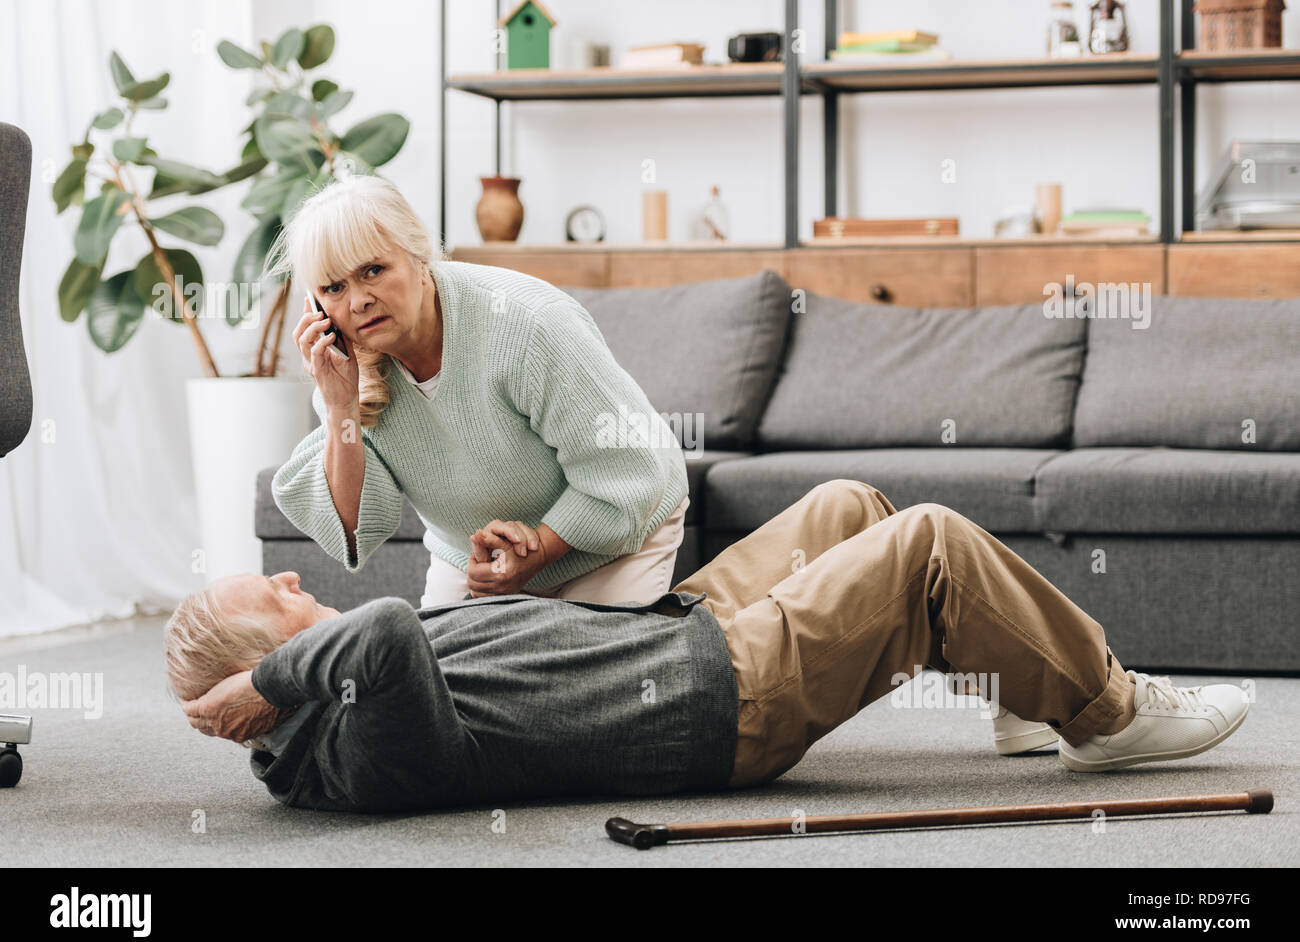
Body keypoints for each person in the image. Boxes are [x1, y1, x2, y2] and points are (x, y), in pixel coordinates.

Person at [170, 481, 1250, 813]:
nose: (290, 578)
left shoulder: (344, 698)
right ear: (258, 668)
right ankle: (1104, 714)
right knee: (928, 543)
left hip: (675, 636)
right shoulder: (349, 757)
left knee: (846, 504)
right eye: (267, 597)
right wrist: (270, 677)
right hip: (717, 704)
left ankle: (1026, 686)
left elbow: (454, 644)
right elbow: (396, 630)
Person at [265, 174, 688, 608]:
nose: (357, 302)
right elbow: (354, 526)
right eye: (333, 288)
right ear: (317, 307)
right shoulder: (345, 371)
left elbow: (627, 469)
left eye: (373, 270)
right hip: (476, 560)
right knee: (440, 675)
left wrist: (538, 550)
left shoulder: (529, 323)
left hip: (616, 529)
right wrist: (340, 406)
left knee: (587, 672)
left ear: (418, 255)